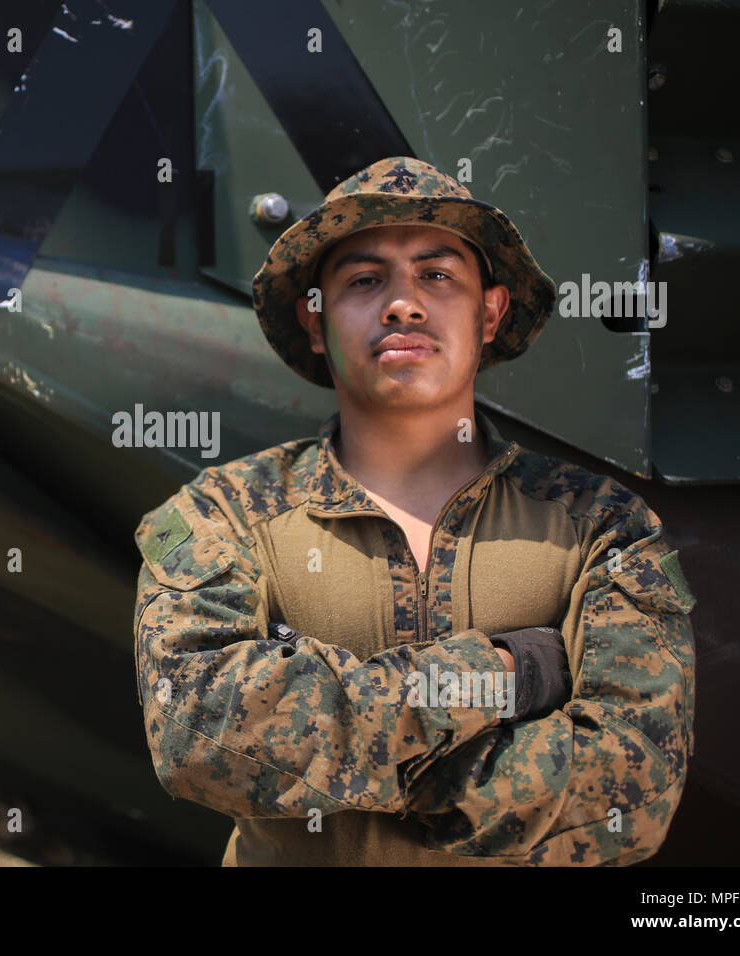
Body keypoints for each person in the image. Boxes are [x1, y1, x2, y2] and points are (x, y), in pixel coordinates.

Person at [131, 156, 697, 866]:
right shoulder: (226, 516)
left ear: (489, 311)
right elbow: (197, 736)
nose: (403, 303)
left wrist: (341, 743)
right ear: (316, 320)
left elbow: (630, 798)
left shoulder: (601, 528)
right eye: (365, 281)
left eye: (437, 276)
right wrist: (501, 675)